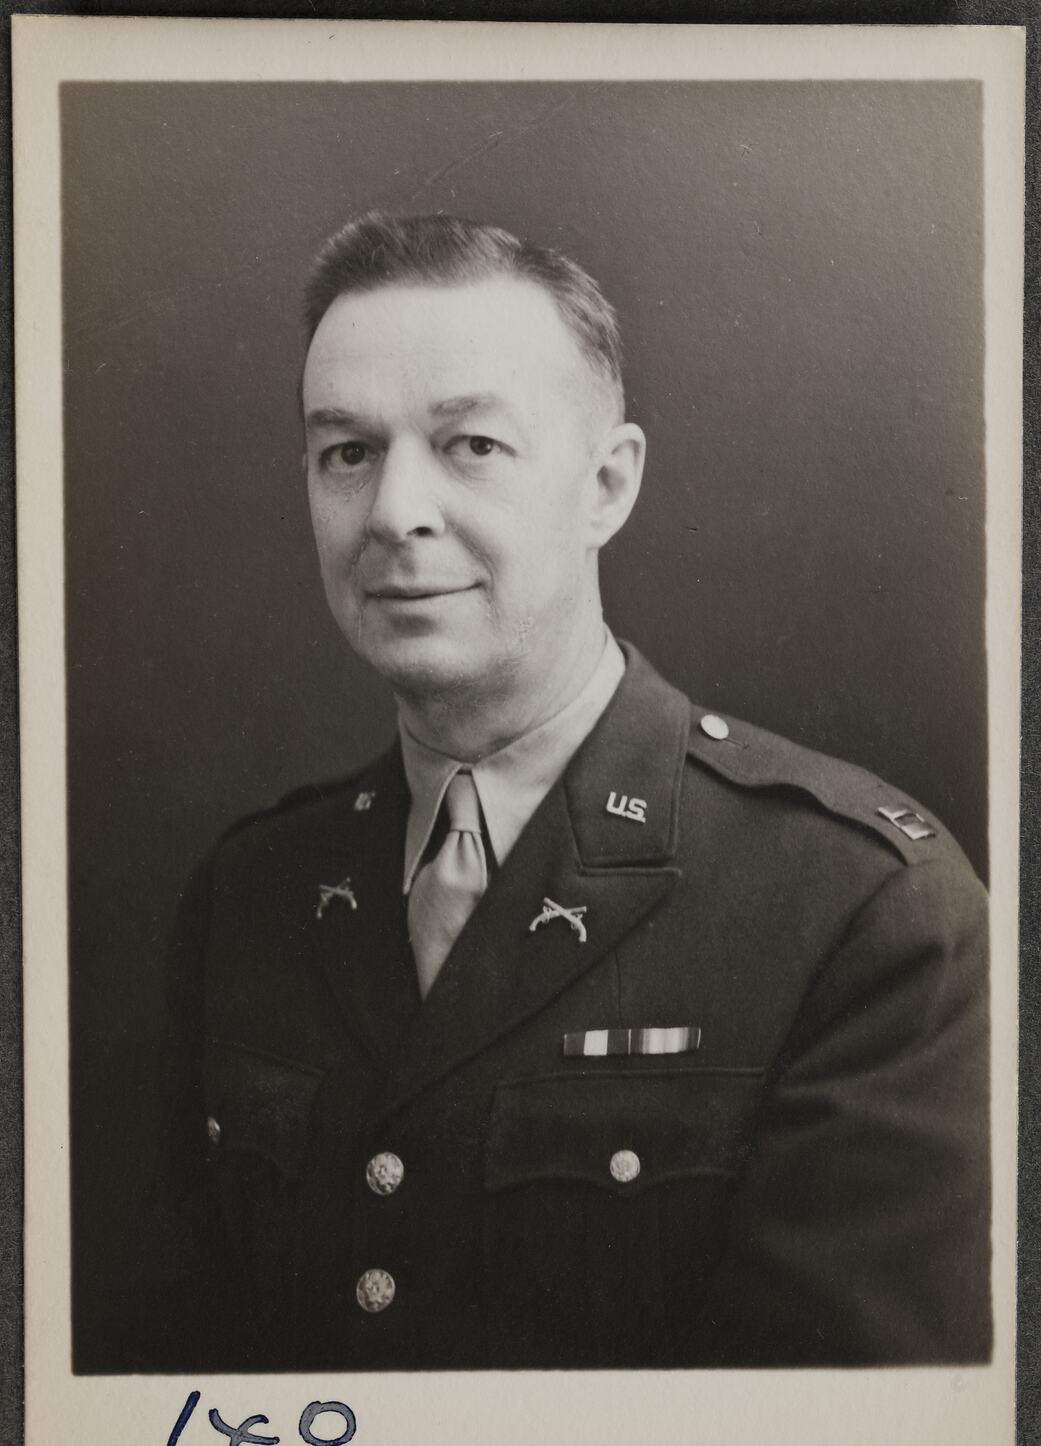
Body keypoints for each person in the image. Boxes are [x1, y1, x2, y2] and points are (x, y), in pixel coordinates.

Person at [144, 211, 990, 1372]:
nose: (395, 513)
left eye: (470, 446)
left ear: (608, 484)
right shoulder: (252, 891)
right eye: (348, 451)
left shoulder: (864, 911)